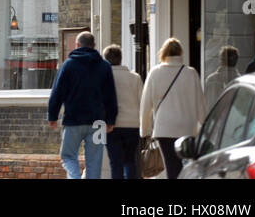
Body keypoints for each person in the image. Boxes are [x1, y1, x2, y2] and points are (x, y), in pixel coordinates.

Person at [46, 31, 118, 179]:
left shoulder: (68, 65)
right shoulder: (104, 66)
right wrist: (111, 119)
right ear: (94, 46)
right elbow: (110, 96)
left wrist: (52, 115)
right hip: (98, 122)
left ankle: (74, 177)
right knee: (94, 162)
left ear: (77, 45)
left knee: (68, 156)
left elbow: (57, 92)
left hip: (73, 120)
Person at [140, 38, 205, 179]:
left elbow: (146, 104)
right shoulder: (191, 73)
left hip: (164, 128)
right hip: (187, 128)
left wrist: (144, 129)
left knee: (171, 166)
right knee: (186, 167)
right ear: (180, 53)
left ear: (163, 53)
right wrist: (205, 126)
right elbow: (200, 103)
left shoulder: (155, 73)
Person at [103, 45, 142, 180]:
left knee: (115, 163)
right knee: (130, 160)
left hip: (111, 125)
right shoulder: (135, 77)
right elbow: (141, 101)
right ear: (121, 58)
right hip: (133, 124)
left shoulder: (104, 77)